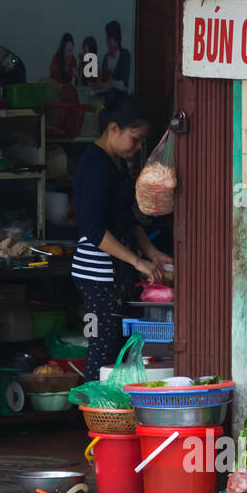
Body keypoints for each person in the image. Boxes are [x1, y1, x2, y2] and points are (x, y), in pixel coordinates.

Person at [71, 91, 171, 380]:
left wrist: (151, 252)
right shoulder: (93, 164)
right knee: (102, 351)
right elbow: (92, 230)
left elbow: (126, 220)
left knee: (117, 350)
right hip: (97, 276)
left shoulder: (118, 165)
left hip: (115, 274)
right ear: (113, 128)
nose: (138, 146)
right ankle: (94, 417)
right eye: (135, 138)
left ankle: (112, 417)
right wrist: (137, 262)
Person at [102, 20, 131, 90]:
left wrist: (110, 80)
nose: (107, 42)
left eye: (109, 39)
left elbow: (124, 83)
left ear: (117, 39)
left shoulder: (125, 55)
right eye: (107, 39)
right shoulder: (106, 58)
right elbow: (103, 82)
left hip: (121, 97)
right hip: (107, 97)